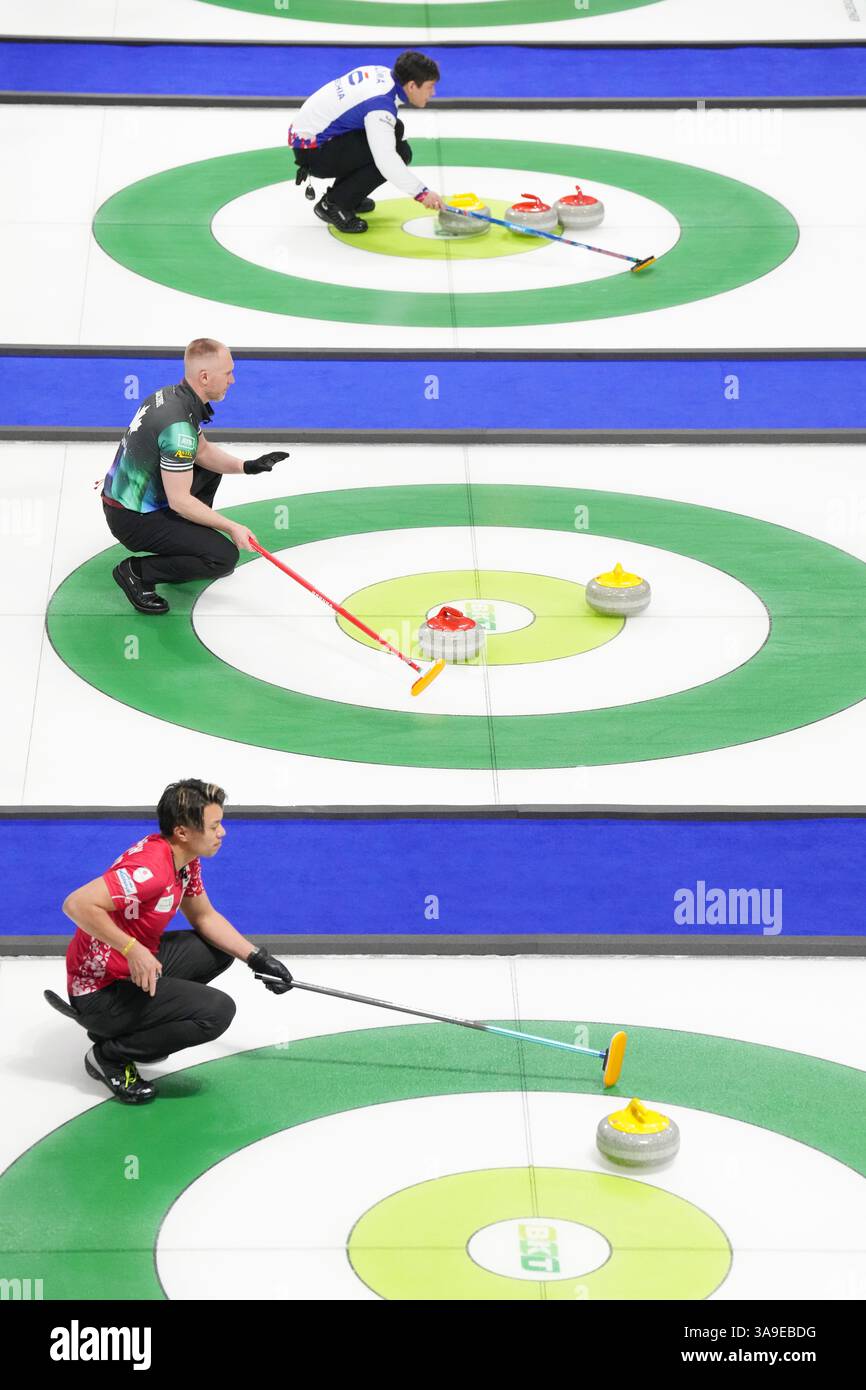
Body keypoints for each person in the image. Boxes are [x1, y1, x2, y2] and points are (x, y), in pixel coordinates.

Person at [60, 779, 293, 1104]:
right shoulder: (150, 870)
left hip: (131, 966)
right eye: (214, 826)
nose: (222, 832)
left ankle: (132, 1027)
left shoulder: (183, 861)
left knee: (219, 951)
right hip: (100, 990)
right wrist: (132, 949)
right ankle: (111, 1054)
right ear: (183, 831)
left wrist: (256, 958)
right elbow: (76, 904)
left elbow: (205, 917)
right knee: (216, 1012)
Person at [103, 338, 289, 615]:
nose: (233, 380)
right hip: (133, 519)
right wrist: (232, 527)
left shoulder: (169, 396)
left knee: (209, 470)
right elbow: (179, 501)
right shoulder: (178, 429)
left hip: (128, 498)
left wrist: (246, 466)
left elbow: (202, 452)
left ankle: (187, 539)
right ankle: (137, 572)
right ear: (205, 377)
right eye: (228, 373)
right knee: (223, 558)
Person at [289, 49, 444, 234]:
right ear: (411, 86)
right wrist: (422, 193)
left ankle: (349, 194)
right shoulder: (380, 107)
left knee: (395, 130)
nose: (433, 93)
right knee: (400, 153)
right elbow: (386, 160)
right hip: (315, 152)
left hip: (312, 140)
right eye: (429, 87)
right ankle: (335, 204)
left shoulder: (383, 74)